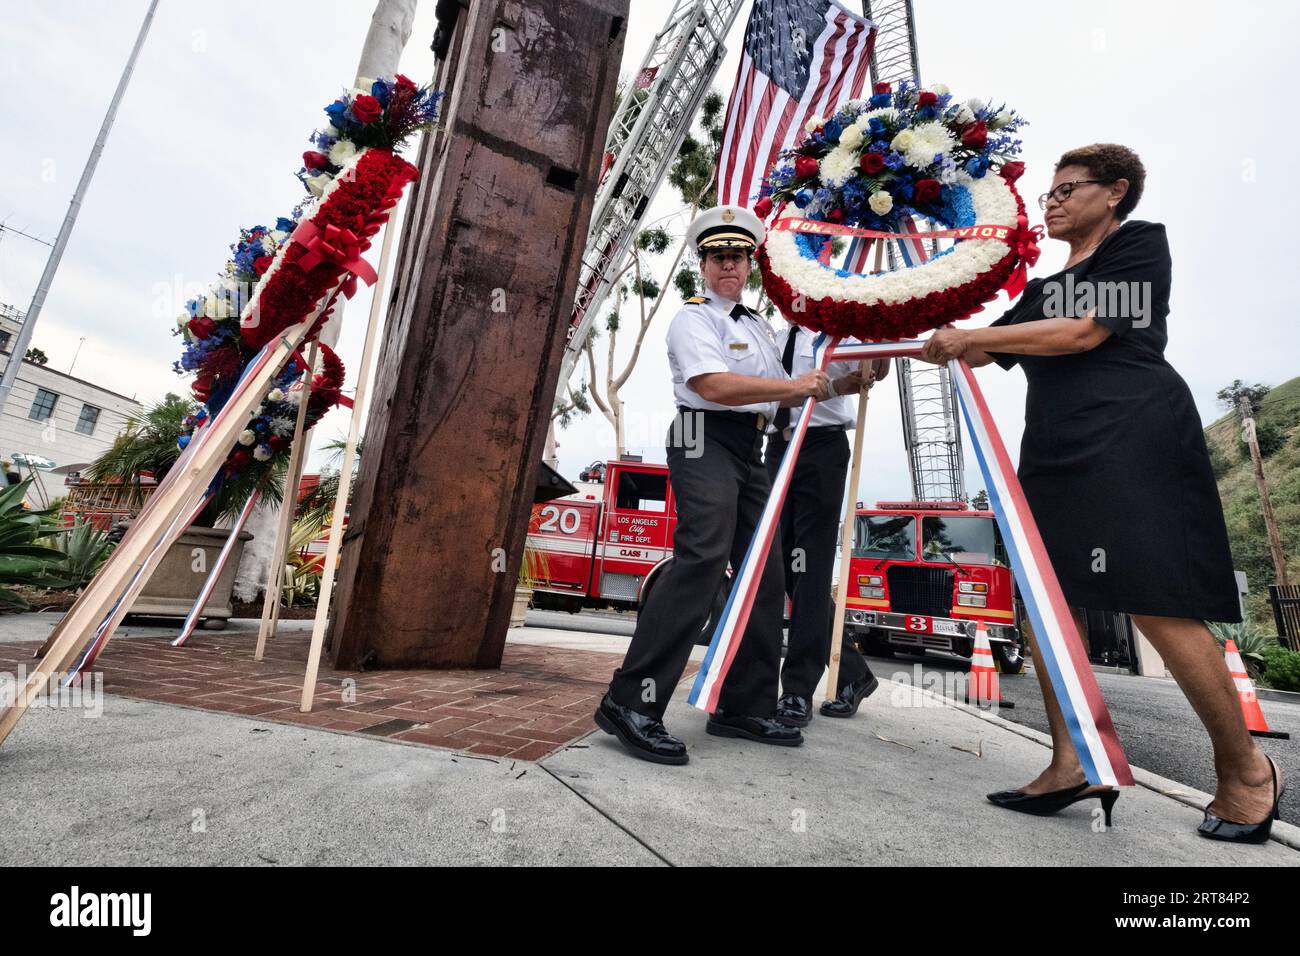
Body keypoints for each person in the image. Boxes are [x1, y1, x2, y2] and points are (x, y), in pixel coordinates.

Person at [920, 143, 1283, 842]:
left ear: (1114, 192)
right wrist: (882, 339)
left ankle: (1246, 771)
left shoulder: (1139, 247)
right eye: (1048, 192)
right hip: (1055, 449)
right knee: (1047, 606)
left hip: (1131, 433)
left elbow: (1083, 333)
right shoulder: (1039, 291)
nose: (1050, 201)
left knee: (1153, 598)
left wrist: (967, 336)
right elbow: (979, 345)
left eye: (1066, 188)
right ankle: (1073, 761)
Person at [596, 204, 833, 765]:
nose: (730, 265)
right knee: (703, 554)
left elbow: (784, 392)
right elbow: (712, 383)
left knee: (765, 573)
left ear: (751, 263)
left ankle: (744, 705)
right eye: (719, 256)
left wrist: (844, 377)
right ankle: (630, 702)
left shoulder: (758, 326)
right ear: (703, 264)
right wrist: (795, 385)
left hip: (752, 445)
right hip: (704, 435)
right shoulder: (693, 318)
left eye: (739, 256)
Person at [765, 324, 887, 726]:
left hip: (820, 448)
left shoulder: (843, 335)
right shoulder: (773, 334)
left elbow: (875, 372)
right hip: (778, 447)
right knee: (779, 567)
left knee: (811, 569)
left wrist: (881, 333)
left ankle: (798, 691)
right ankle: (854, 672)